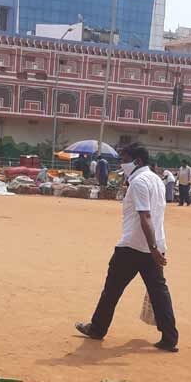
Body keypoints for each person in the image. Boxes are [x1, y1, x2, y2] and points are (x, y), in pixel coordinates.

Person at [75, 143, 178, 352]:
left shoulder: (139, 182)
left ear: (137, 161)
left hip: (133, 246)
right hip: (152, 246)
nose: (122, 164)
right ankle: (170, 337)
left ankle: (97, 328)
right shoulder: (157, 180)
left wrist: (153, 248)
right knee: (159, 292)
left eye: (124, 159)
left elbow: (146, 216)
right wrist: (155, 248)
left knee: (112, 290)